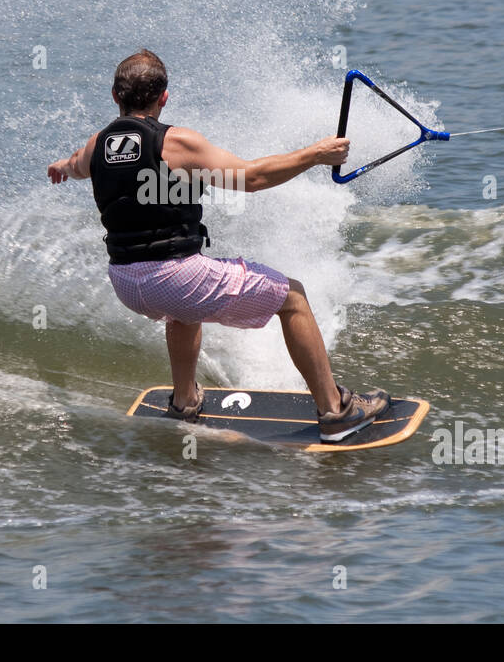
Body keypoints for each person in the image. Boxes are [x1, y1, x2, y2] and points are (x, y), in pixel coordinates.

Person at [47, 49, 389, 442]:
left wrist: (60, 167)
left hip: (126, 282)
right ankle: (336, 411)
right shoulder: (176, 143)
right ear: (164, 97)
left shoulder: (96, 144)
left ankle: (185, 402)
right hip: (172, 276)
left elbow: (74, 164)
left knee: (183, 311)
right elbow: (253, 178)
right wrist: (315, 155)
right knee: (293, 297)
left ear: (114, 96)